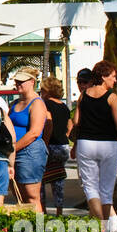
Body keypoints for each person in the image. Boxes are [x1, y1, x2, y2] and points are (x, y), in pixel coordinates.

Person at [72, 60, 117, 232]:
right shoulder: (111, 97)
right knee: (106, 187)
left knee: (90, 186)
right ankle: (107, 224)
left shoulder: (83, 95)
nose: (115, 80)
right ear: (104, 77)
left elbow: (76, 121)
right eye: (113, 77)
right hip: (108, 143)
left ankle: (99, 224)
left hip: (86, 143)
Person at [7, 67, 49, 213]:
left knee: (32, 196)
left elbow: (34, 132)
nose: (18, 84)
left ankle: (39, 231)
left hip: (30, 153)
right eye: (17, 81)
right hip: (14, 153)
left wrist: (13, 148)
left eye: (22, 82)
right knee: (19, 195)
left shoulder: (37, 103)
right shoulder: (14, 104)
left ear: (32, 82)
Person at [41, 76, 70, 217]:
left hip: (50, 145)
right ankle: (59, 211)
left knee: (41, 178)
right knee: (58, 180)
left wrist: (44, 143)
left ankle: (43, 210)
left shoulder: (45, 105)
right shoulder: (64, 107)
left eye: (42, 90)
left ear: (48, 91)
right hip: (63, 146)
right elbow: (70, 126)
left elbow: (48, 123)